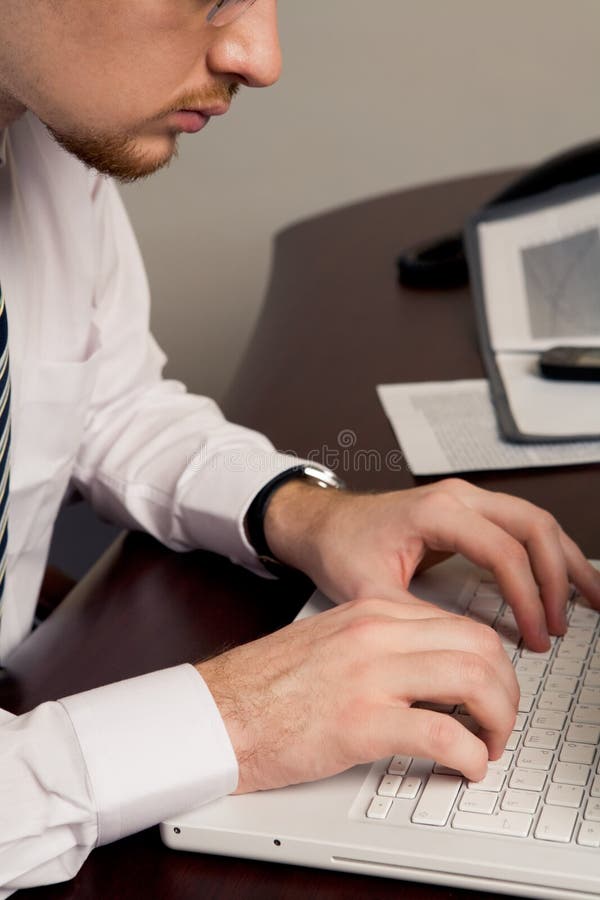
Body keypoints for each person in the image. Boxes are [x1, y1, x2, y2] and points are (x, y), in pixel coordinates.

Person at [0, 0, 599, 893]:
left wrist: (305, 511)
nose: (262, 56)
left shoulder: (41, 128)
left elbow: (101, 397)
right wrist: (234, 721)